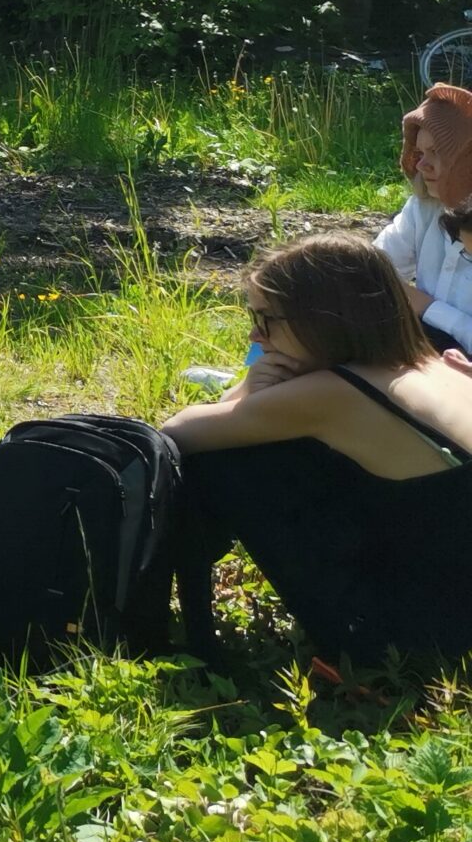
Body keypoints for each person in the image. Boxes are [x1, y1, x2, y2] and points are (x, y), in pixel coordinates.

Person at [164, 234, 472, 660]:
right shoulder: (438, 365)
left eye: (265, 319)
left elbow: (178, 434)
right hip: (455, 606)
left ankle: (189, 632)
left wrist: (247, 388)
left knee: (223, 461)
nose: (255, 335)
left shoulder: (337, 393)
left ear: (322, 319)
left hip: (415, 637)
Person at [376, 84, 472, 356]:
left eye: (436, 152)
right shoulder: (424, 208)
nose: (421, 165)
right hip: (423, 346)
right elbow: (373, 270)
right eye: (419, 153)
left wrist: (427, 307)